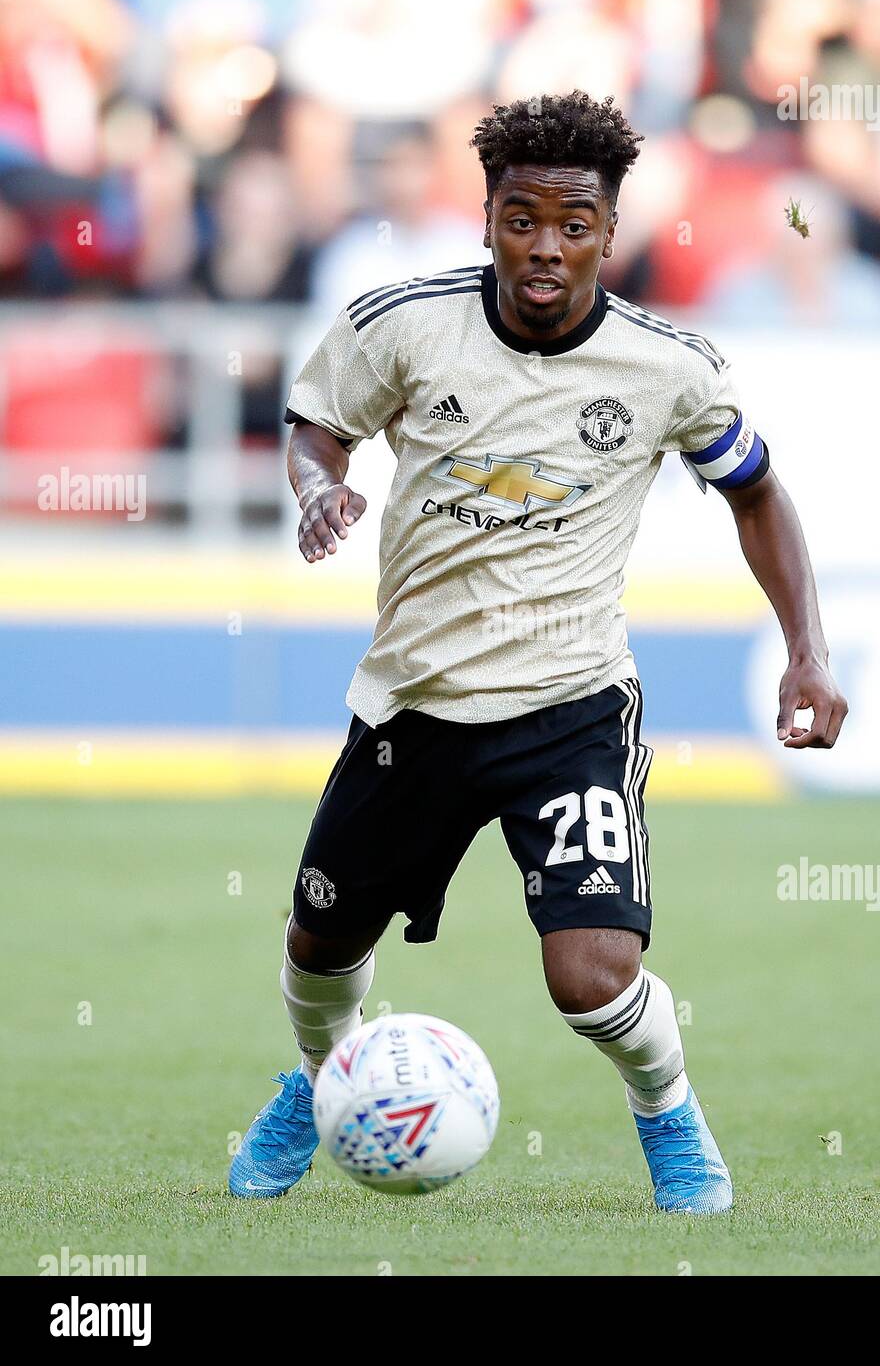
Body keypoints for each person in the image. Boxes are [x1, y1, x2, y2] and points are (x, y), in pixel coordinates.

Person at [229, 90, 847, 1214]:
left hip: (568, 709)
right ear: (485, 220)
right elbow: (315, 421)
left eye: (573, 223)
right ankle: (327, 1081)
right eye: (521, 219)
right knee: (318, 947)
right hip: (410, 706)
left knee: (590, 974)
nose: (546, 247)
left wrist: (805, 648)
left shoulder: (670, 368)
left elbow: (757, 493)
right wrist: (321, 485)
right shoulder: (401, 325)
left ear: (610, 230)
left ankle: (668, 1114)